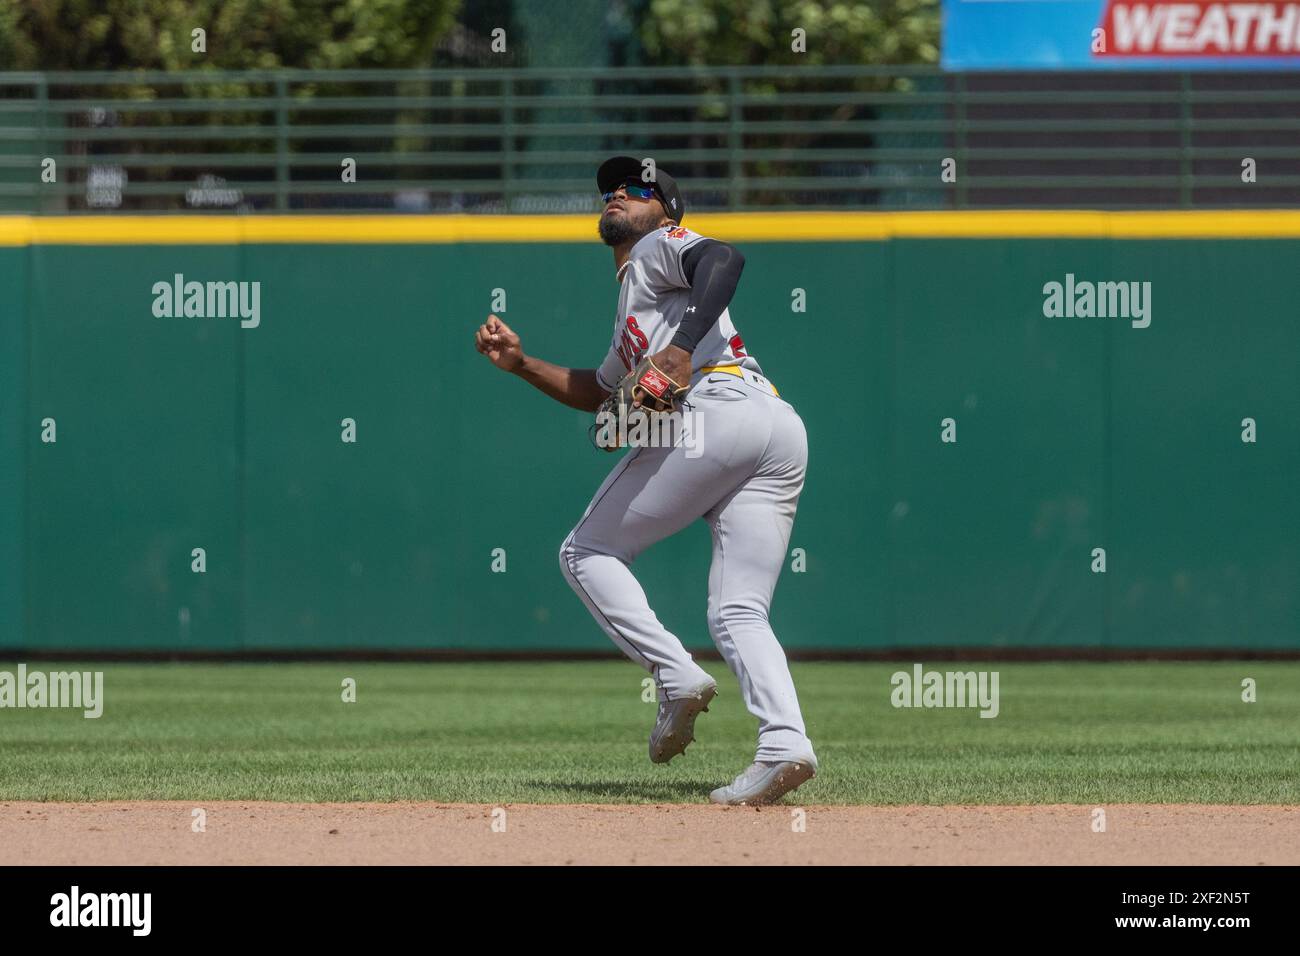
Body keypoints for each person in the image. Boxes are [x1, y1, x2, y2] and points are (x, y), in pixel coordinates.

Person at [473, 156, 817, 805]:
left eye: (637, 189)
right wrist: (520, 365)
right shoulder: (635, 302)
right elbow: (601, 391)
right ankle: (784, 743)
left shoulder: (660, 248)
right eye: (610, 190)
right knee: (740, 608)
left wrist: (683, 349)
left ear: (666, 209)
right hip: (774, 425)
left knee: (586, 551)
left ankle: (675, 676)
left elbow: (725, 260)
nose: (618, 195)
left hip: (717, 410)